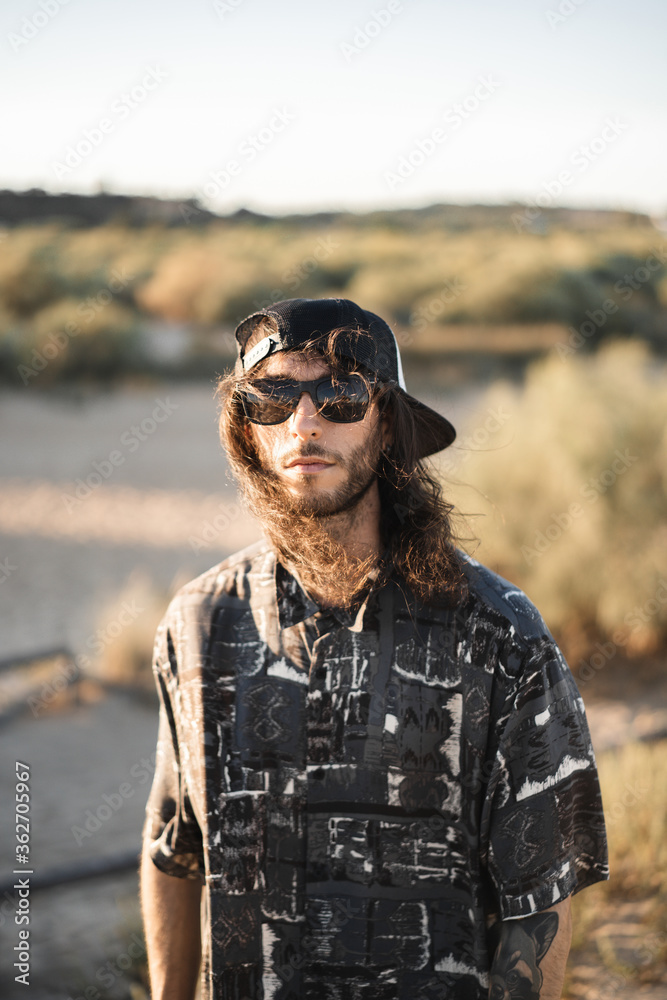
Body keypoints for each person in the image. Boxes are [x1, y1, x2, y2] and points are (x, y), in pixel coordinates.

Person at [140, 297, 608, 1000]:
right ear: (247, 431)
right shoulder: (199, 624)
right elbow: (173, 851)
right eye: (272, 395)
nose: (304, 421)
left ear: (384, 421)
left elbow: (538, 899)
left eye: (339, 393)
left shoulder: (500, 636)